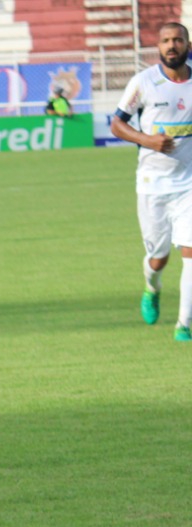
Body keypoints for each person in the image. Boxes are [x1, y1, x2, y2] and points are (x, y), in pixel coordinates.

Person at [112, 22, 192, 339]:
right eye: (165, 41)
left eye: (177, 40)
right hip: (152, 185)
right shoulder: (143, 82)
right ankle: (151, 287)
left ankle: (184, 324)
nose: (171, 45)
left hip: (189, 185)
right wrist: (148, 140)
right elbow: (117, 124)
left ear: (188, 44)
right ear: (157, 46)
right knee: (158, 259)